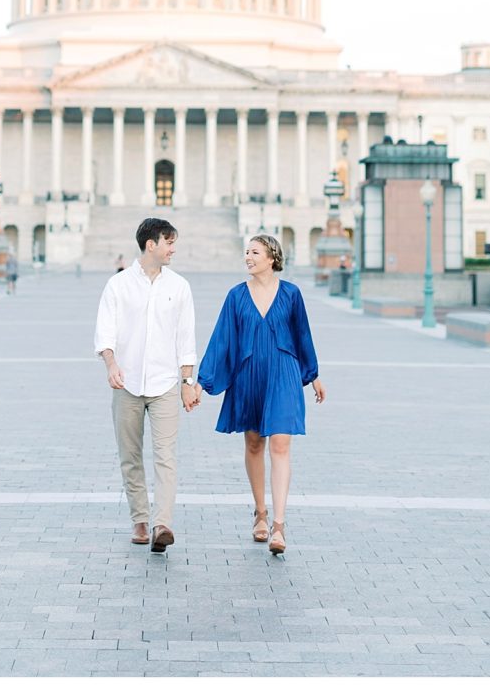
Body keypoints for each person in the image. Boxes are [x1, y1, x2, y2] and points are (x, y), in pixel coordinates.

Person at [198, 234, 324, 555]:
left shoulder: (292, 294)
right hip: (249, 374)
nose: (248, 257)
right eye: (246, 252)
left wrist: (313, 375)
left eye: (255, 252)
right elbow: (222, 339)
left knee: (280, 444)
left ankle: (279, 525)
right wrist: (202, 380)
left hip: (284, 372)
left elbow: (302, 335)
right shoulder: (236, 296)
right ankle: (261, 513)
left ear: (272, 257)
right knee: (255, 443)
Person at [93, 218, 198, 552]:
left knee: (166, 455)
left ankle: (161, 523)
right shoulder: (118, 285)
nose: (173, 249)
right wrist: (110, 364)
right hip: (127, 382)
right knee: (131, 454)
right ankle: (140, 517)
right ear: (150, 244)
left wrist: (187, 382)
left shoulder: (179, 286)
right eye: (169, 242)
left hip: (166, 381)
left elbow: (186, 338)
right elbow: (105, 331)